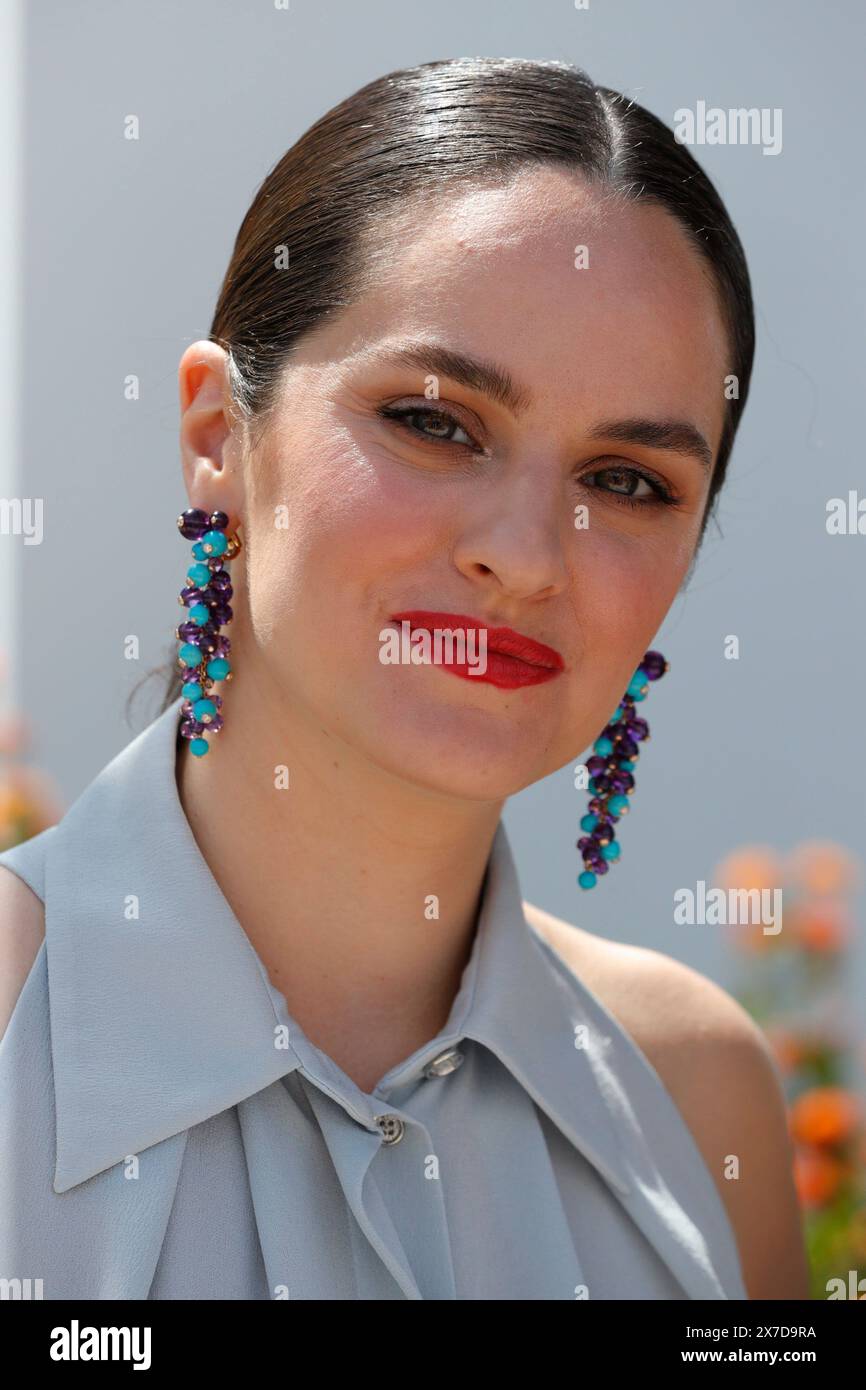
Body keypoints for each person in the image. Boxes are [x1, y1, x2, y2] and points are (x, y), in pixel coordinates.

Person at [0, 56, 809, 1300]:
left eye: (627, 482)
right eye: (434, 422)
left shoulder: (700, 1101)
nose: (525, 555)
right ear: (219, 435)